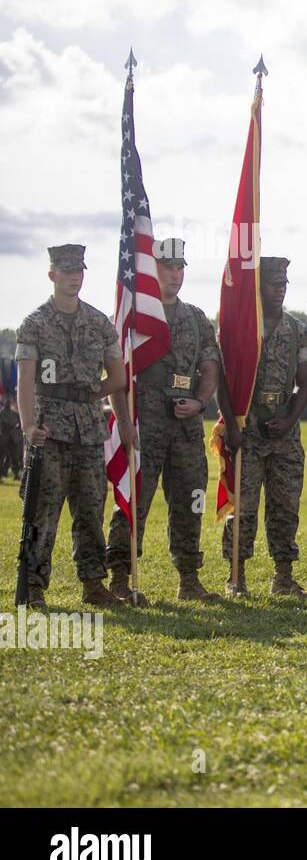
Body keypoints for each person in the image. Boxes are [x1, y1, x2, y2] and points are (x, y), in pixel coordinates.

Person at [106, 238, 223, 602]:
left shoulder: (196, 318)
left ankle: (189, 580)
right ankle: (121, 580)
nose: (176, 274)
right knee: (135, 499)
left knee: (191, 498)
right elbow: (117, 372)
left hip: (186, 425)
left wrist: (201, 401)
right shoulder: (136, 317)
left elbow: (209, 366)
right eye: (168, 268)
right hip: (146, 419)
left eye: (180, 268)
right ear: (150, 271)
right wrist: (124, 421)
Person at [15, 244, 130, 609]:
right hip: (48, 428)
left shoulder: (98, 322)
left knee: (90, 508)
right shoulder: (34, 323)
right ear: (52, 275)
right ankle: (33, 586)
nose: (73, 277)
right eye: (66, 271)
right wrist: (28, 427)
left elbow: (119, 376)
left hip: (87, 428)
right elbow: (25, 382)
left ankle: (93, 583)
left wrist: (92, 393)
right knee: (43, 510)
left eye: (78, 271)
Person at [217, 255, 307, 597]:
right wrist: (231, 425)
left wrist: (289, 420)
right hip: (248, 427)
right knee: (242, 507)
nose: (280, 291)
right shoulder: (239, 329)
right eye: (274, 284)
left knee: (285, 505)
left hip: (284, 430)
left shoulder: (299, 330)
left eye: (284, 284)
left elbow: (305, 384)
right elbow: (222, 383)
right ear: (259, 288)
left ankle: (283, 578)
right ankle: (236, 578)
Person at [0, 398, 20, 480]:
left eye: (9, 402)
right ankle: (1, 474)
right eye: (7, 402)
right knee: (1, 457)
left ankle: (16, 474)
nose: (8, 404)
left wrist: (16, 429)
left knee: (14, 457)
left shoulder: (15, 414)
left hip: (13, 437)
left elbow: (20, 423)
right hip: (3, 437)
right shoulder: (1, 413)